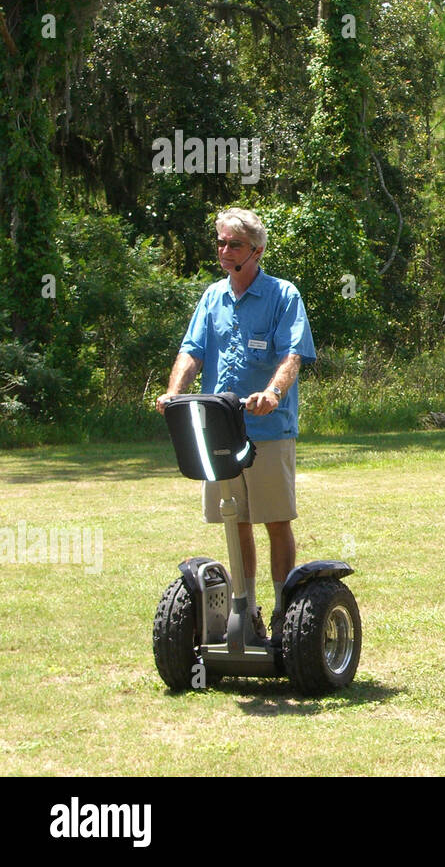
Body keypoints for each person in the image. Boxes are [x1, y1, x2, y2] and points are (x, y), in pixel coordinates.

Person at [155, 208, 316, 641]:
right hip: (219, 430)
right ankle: (244, 614)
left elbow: (293, 355)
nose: (224, 252)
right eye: (221, 243)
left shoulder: (283, 295)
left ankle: (288, 614)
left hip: (267, 430)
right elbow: (192, 351)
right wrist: (175, 390)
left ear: (257, 251)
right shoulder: (212, 297)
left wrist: (273, 393)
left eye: (234, 245)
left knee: (275, 520)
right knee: (235, 521)